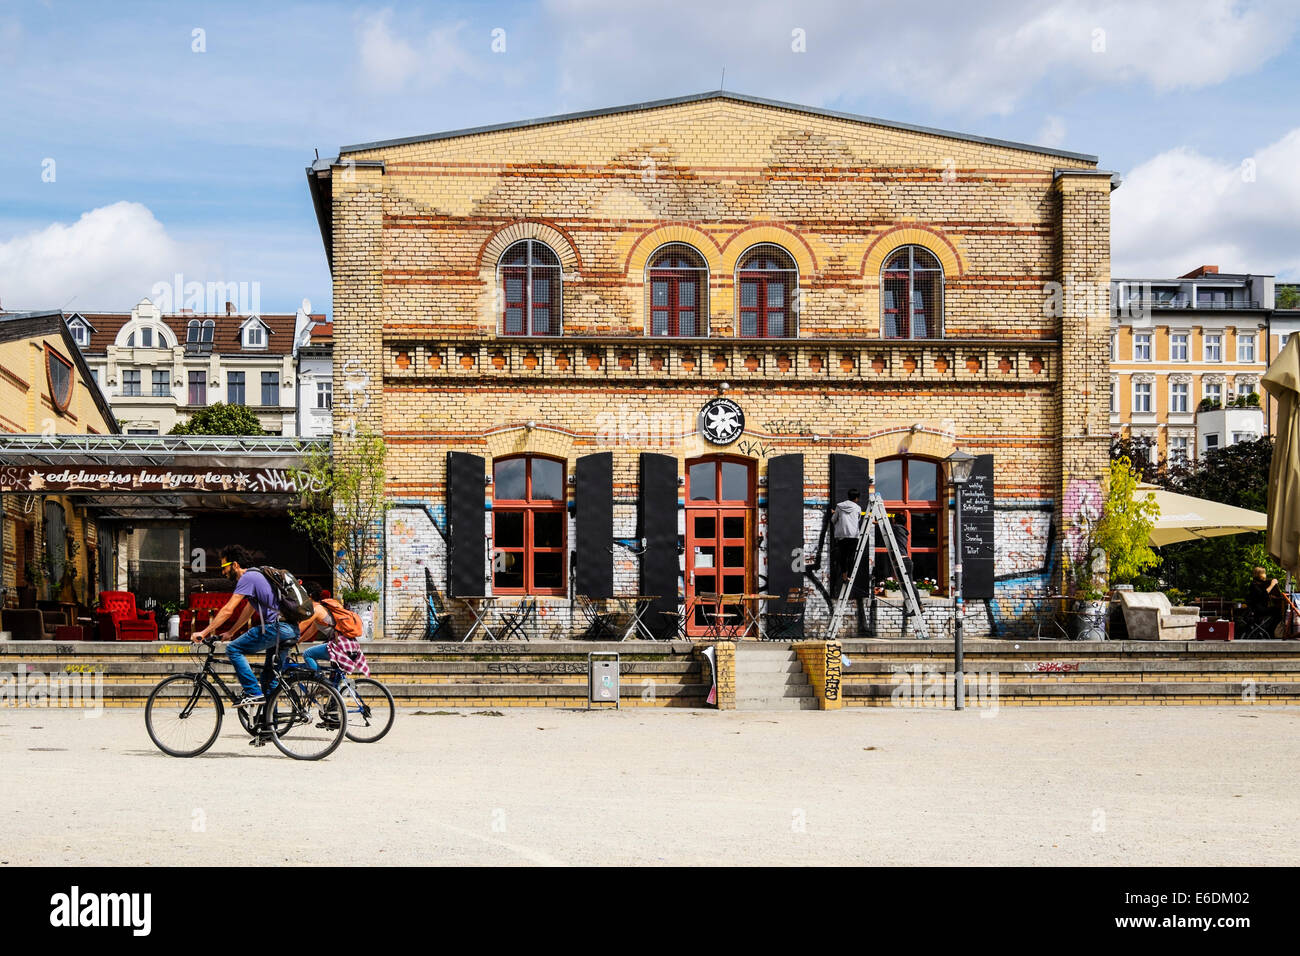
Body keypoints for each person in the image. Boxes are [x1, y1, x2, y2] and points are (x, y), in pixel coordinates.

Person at [192, 545, 297, 708]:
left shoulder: (247, 578)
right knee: (268, 679)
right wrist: (230, 632)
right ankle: (269, 727)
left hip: (276, 628)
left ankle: (253, 692)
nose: (223, 572)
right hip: (289, 629)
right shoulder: (257, 575)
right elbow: (248, 610)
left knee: (233, 649)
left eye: (224, 567)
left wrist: (204, 633)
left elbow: (228, 610)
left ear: (234, 565)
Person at [298, 581, 369, 681]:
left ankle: (320, 682)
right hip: (350, 645)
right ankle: (332, 691)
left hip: (339, 645)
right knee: (334, 686)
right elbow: (310, 631)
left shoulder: (316, 610)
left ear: (309, 596)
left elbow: (300, 628)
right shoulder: (322, 609)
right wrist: (298, 641)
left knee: (307, 654)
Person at [832, 489, 863, 584]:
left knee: (843, 556)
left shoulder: (839, 506)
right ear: (856, 498)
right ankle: (849, 576)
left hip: (842, 535)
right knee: (851, 556)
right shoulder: (858, 508)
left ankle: (844, 575)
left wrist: (834, 514)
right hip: (853, 535)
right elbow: (858, 520)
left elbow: (833, 520)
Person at [1247, 566, 1283, 638]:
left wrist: (1272, 597)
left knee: (1278, 609)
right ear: (1260, 574)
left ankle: (1269, 630)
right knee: (1277, 610)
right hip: (1257, 609)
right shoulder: (1253, 585)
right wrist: (1272, 584)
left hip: (1262, 608)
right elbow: (1263, 594)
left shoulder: (1261, 584)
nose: (1265, 575)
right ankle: (1271, 631)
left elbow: (1262, 596)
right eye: (1264, 573)